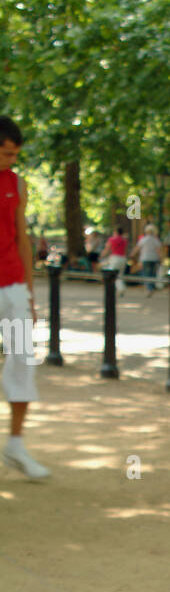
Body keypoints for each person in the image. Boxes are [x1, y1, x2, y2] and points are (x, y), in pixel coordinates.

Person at [0, 116, 50, 480]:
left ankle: (15, 444)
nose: (11, 160)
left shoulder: (16, 183)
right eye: (6, 153)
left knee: (21, 359)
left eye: (16, 154)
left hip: (13, 287)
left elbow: (22, 239)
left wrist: (30, 297)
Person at [129, 223, 164, 295]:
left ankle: (149, 288)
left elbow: (137, 248)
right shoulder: (155, 240)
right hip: (154, 258)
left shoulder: (143, 240)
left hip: (145, 258)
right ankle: (151, 287)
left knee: (146, 274)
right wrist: (161, 258)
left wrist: (132, 254)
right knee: (152, 273)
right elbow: (158, 250)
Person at [99, 223, 129, 294]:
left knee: (112, 274)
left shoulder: (112, 239)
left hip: (115, 258)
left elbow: (107, 249)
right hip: (122, 258)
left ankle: (119, 289)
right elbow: (125, 250)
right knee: (120, 274)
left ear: (115, 232)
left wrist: (101, 255)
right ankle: (121, 288)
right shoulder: (124, 240)